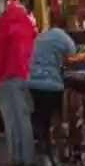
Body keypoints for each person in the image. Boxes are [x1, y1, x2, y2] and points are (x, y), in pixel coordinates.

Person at [0, 0, 37, 166]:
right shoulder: (27, 27)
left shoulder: (3, 27)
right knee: (24, 117)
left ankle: (15, 156)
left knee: (10, 119)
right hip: (22, 74)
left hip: (5, 77)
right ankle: (29, 156)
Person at [27, 13, 77, 149]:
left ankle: (39, 144)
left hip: (32, 81)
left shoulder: (42, 36)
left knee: (38, 115)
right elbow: (73, 54)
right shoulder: (62, 36)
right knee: (54, 114)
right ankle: (52, 144)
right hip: (51, 83)